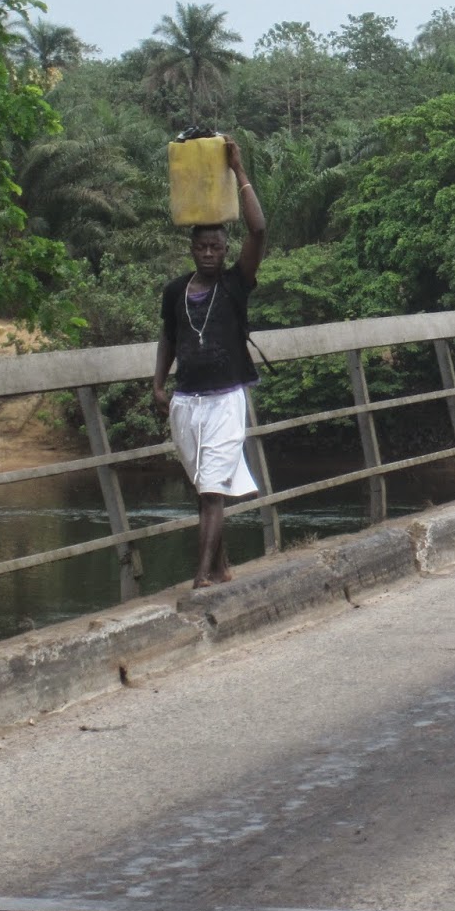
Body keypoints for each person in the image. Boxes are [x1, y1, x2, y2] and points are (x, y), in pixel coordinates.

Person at [152, 138, 266, 588]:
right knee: (204, 487)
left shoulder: (237, 284)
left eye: (217, 247)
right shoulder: (175, 291)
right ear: (192, 249)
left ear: (224, 248)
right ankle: (219, 568)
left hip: (224, 399)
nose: (210, 254)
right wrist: (159, 385)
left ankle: (200, 576)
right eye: (203, 247)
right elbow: (168, 337)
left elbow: (258, 231)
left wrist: (238, 171)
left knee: (213, 490)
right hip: (187, 401)